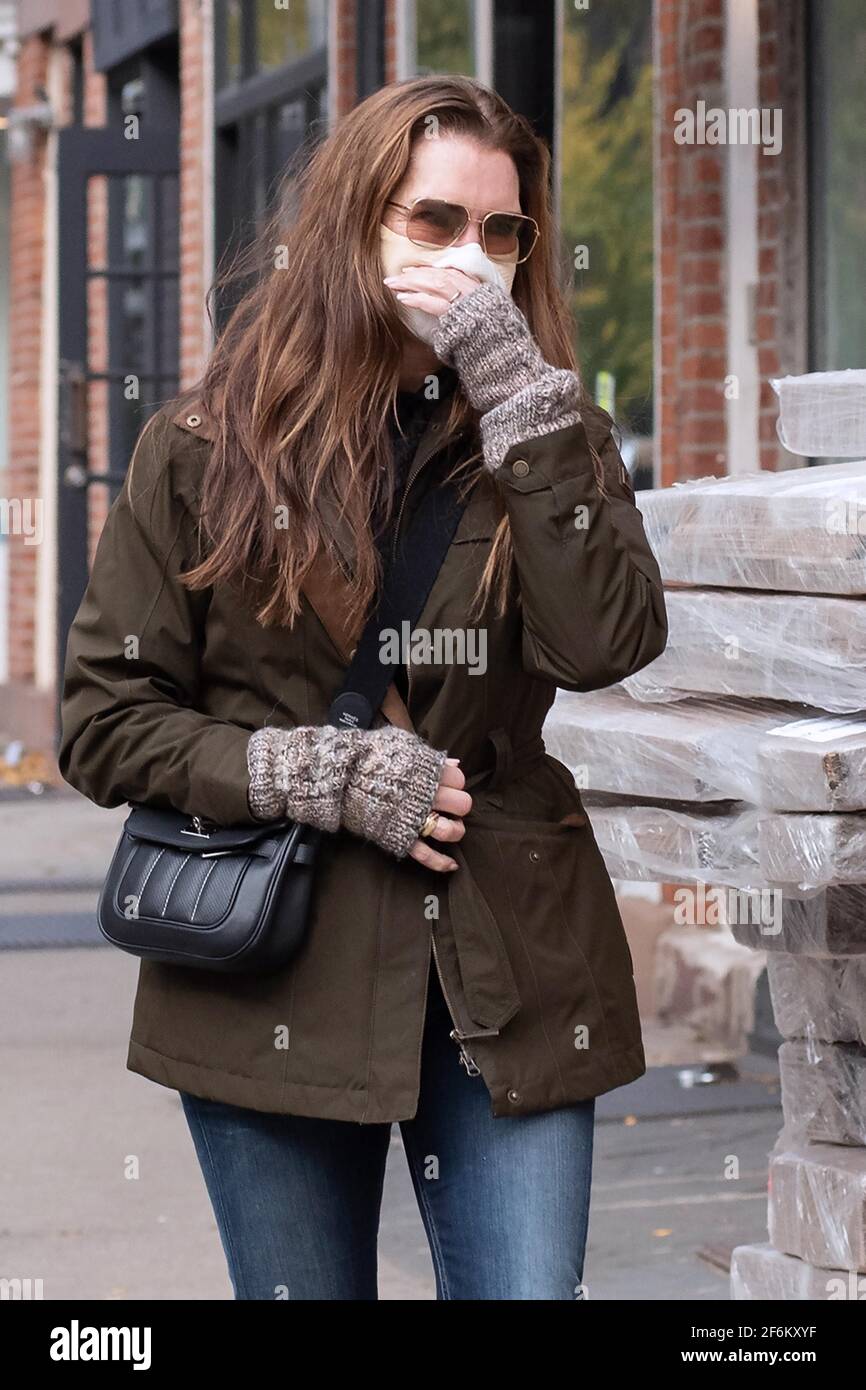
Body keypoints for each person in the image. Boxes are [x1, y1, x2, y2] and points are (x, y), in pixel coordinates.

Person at [60, 76, 667, 1301]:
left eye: (503, 232)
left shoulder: (547, 435)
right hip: (272, 964)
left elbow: (604, 642)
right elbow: (104, 721)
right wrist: (311, 771)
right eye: (433, 222)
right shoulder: (202, 448)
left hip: (506, 958)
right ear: (351, 224)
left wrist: (517, 389)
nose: (474, 259)